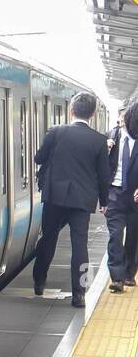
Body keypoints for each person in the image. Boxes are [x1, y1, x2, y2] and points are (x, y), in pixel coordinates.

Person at [32, 92, 110, 307]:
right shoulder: (99, 140)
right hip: (82, 200)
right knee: (80, 245)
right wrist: (104, 202)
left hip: (55, 196)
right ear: (93, 114)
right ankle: (79, 294)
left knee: (48, 238)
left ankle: (39, 281)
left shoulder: (56, 132)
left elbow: (39, 158)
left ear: (71, 110)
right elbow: (104, 175)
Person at [105, 105, 138, 293]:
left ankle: (129, 273)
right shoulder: (111, 137)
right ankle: (117, 278)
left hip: (135, 196)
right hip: (115, 193)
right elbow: (99, 166)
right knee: (115, 235)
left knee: (134, 235)